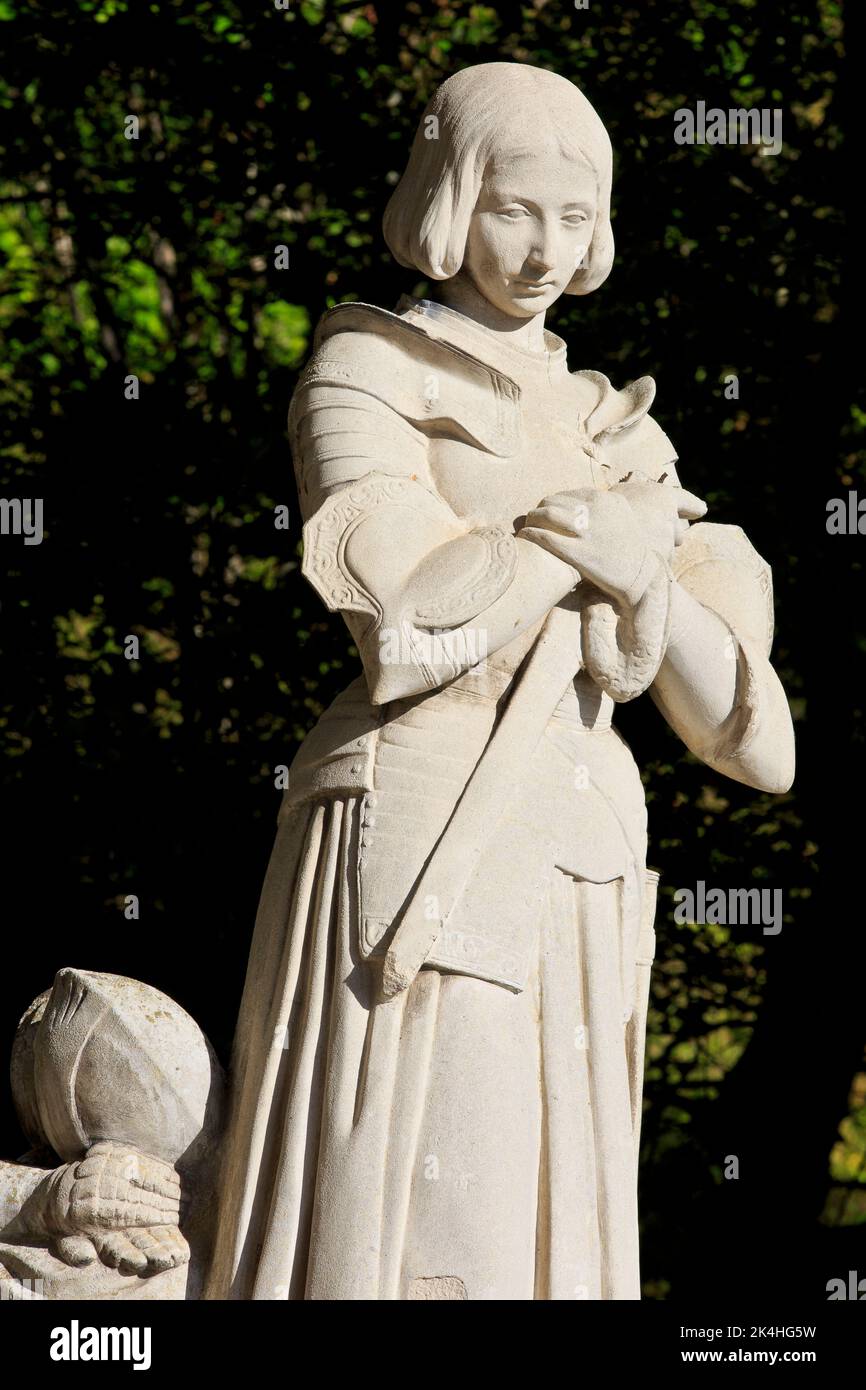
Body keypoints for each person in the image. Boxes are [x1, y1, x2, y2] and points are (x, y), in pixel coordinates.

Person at [204, 63, 794, 1301]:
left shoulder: (616, 429)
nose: (540, 252)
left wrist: (646, 580)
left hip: (578, 853)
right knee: (436, 1224)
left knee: (551, 1244)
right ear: (447, 196)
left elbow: (756, 741)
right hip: (425, 833)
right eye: (512, 210)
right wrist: (566, 542)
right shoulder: (365, 370)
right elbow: (405, 625)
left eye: (572, 220)